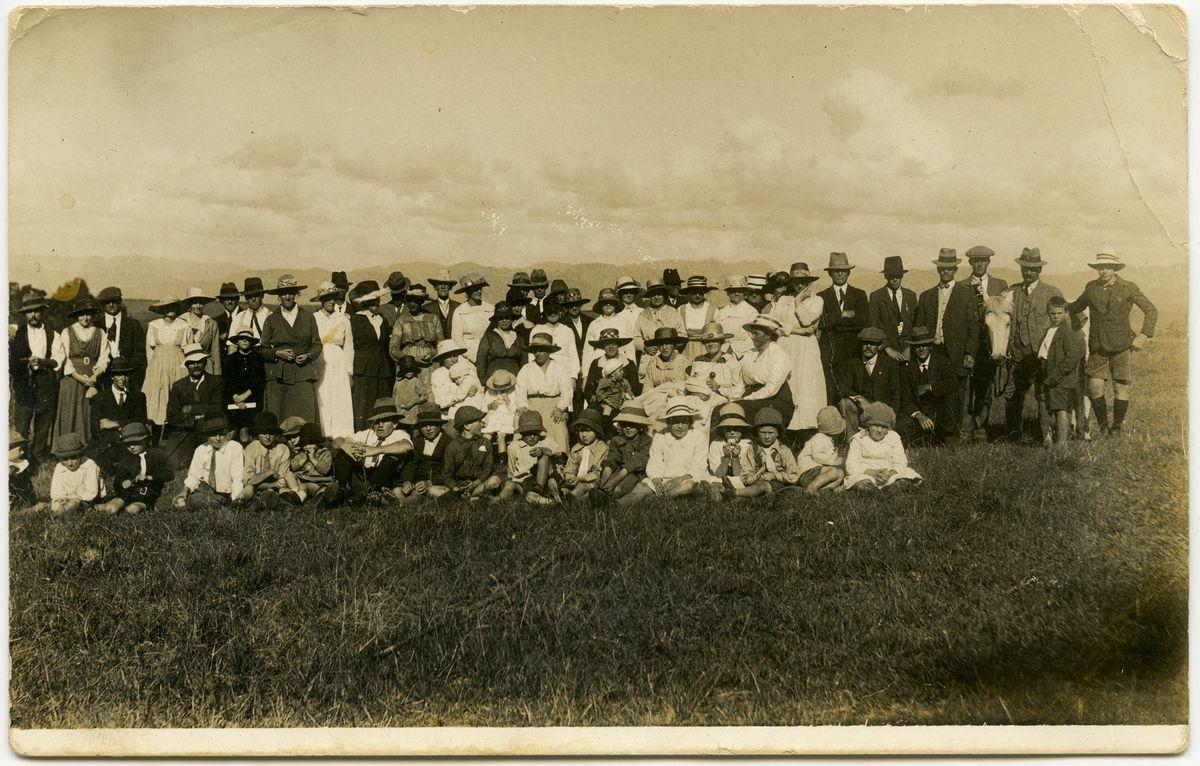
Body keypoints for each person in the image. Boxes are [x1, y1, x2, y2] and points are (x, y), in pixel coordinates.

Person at [1067, 250, 1157, 437]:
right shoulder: (1091, 288)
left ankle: (1116, 428)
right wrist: (1062, 310)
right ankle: (1103, 427)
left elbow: (1151, 310)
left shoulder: (1128, 287)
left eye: (1108, 267)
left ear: (1115, 268)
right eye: (1100, 267)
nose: (1104, 271)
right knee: (1094, 387)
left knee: (1120, 388)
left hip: (1122, 346)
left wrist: (1143, 335)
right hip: (1098, 346)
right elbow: (1075, 306)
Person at [1004, 248, 1063, 442]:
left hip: (1041, 354)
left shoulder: (1051, 292)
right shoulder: (1012, 292)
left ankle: (1045, 433)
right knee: (1013, 394)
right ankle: (1013, 434)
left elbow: (1063, 321)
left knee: (1043, 395)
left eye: (1033, 269)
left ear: (1040, 270)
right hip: (1018, 354)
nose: (1028, 273)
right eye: (1025, 268)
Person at [955, 245, 1009, 440]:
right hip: (969, 345)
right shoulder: (961, 286)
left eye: (983, 260)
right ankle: (964, 429)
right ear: (970, 262)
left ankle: (980, 427)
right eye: (975, 260)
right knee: (967, 387)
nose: (979, 264)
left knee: (986, 388)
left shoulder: (1000, 285)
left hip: (991, 345)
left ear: (988, 262)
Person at [619, 399, 716, 505]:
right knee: (641, 487)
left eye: (683, 421)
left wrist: (678, 480)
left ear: (689, 422)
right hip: (664, 478)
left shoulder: (698, 436)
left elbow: (699, 466)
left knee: (687, 487)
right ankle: (617, 505)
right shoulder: (660, 436)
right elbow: (654, 463)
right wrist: (657, 481)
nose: (680, 426)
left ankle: (654, 501)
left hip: (689, 478)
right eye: (675, 421)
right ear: (669, 422)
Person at [770, 263, 826, 436]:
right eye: (796, 282)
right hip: (785, 347)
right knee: (788, 383)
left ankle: (808, 429)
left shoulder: (817, 300)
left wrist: (798, 301)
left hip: (806, 349)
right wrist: (794, 330)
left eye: (803, 281)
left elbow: (807, 320)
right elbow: (773, 325)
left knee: (806, 384)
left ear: (810, 282)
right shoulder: (782, 300)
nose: (800, 286)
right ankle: (787, 428)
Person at [324, 397, 414, 506]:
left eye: (385, 421)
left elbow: (406, 445)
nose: (380, 425)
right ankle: (340, 489)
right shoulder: (368, 433)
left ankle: (366, 494)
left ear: (394, 424)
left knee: (392, 456)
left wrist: (374, 450)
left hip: (384, 478)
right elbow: (336, 442)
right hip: (364, 474)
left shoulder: (399, 434)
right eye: (376, 421)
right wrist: (346, 446)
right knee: (343, 452)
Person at [259, 274, 322, 425]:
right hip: (278, 375)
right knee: (278, 414)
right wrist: (277, 353)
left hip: (302, 373)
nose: (287, 297)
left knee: (305, 414)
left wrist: (308, 355)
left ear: (296, 295)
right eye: (283, 293)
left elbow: (317, 345)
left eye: (291, 293)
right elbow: (263, 350)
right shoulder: (271, 319)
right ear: (278, 296)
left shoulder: (308, 317)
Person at [51, 297, 109, 444]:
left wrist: (95, 375)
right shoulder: (67, 331)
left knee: (89, 411)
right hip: (72, 379)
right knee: (71, 410)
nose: (85, 318)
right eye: (82, 314)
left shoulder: (99, 332)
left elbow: (104, 356)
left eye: (88, 314)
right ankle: (68, 445)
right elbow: (64, 357)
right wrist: (78, 376)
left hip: (92, 377)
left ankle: (88, 445)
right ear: (77, 315)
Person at [10, 295, 60, 462]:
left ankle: (38, 455)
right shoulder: (17, 332)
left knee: (43, 422)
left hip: (44, 382)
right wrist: (25, 366)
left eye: (36, 311)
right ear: (24, 314)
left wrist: (43, 362)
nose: (33, 315)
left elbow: (58, 359)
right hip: (24, 382)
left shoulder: (52, 333)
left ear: (42, 313)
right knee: (22, 422)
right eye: (29, 312)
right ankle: (20, 457)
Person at [817, 252, 869, 404]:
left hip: (853, 352)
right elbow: (821, 322)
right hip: (830, 354)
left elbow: (862, 321)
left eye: (843, 270)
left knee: (854, 392)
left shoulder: (859, 294)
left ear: (849, 272)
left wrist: (835, 323)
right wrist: (843, 314)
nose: (839, 274)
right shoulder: (821, 296)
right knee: (832, 394)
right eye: (836, 271)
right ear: (830, 274)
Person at [896, 327, 962, 446]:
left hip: (939, 413)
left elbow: (954, 383)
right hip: (918, 415)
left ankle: (948, 440)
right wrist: (918, 415)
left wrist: (930, 387)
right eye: (917, 346)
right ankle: (915, 443)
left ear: (930, 346)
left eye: (924, 345)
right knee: (902, 424)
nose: (921, 349)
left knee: (954, 396)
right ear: (913, 348)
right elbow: (904, 398)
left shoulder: (942, 362)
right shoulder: (906, 369)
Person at [165, 343, 226, 467]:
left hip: (210, 429)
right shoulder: (178, 386)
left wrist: (190, 408)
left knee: (214, 460)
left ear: (205, 362)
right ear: (187, 365)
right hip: (185, 430)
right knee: (175, 462)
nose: (196, 366)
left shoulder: (216, 382)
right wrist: (194, 418)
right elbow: (171, 415)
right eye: (192, 363)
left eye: (200, 362)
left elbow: (217, 407)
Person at [835, 326, 903, 434]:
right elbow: (841, 387)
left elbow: (896, 395)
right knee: (845, 403)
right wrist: (860, 398)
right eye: (865, 343)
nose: (868, 347)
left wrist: (889, 417)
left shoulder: (889, 365)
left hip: (882, 412)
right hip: (861, 411)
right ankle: (852, 441)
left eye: (873, 344)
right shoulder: (852, 364)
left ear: (880, 346)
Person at [346, 280, 394, 432]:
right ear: (365, 302)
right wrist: (350, 373)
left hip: (382, 370)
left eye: (377, 300)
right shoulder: (355, 320)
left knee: (381, 405)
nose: (376, 303)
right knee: (363, 406)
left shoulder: (382, 320)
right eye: (372, 300)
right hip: (363, 371)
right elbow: (349, 348)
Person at [1040, 296, 1087, 446]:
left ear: (1066, 312)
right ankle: (1060, 438)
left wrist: (1056, 376)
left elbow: (1073, 356)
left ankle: (1062, 444)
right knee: (1056, 407)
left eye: (1059, 313)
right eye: (1052, 313)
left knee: (1060, 409)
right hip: (1052, 372)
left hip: (1062, 377)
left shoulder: (1069, 330)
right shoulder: (1052, 329)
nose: (1055, 317)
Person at [311, 281, 356, 438]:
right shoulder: (313, 318)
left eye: (333, 298)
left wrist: (349, 372)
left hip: (338, 361)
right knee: (322, 396)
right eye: (327, 298)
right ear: (321, 300)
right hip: (320, 361)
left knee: (339, 397)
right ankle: (324, 434)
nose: (331, 301)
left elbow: (349, 347)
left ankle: (341, 435)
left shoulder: (343, 319)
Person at [844, 402, 922, 491]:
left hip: (889, 472)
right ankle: (870, 488)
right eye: (876, 425)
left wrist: (890, 473)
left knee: (908, 475)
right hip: (866, 473)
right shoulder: (859, 438)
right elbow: (851, 465)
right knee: (859, 482)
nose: (879, 430)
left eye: (884, 427)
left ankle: (895, 486)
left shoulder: (893, 437)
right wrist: (873, 473)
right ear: (868, 425)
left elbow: (900, 462)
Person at [95, 422, 169, 514]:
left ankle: (120, 510)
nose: (132, 447)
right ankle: (105, 506)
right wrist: (123, 483)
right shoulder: (126, 458)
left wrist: (149, 477)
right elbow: (117, 480)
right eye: (128, 444)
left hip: (146, 495)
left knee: (133, 509)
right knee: (112, 508)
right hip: (127, 494)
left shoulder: (157, 455)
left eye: (136, 443)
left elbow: (168, 474)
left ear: (146, 440)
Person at [515, 332, 574, 449]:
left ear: (548, 351)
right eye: (535, 351)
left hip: (554, 406)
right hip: (532, 406)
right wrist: (523, 406)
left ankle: (559, 462)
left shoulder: (559, 368)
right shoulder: (526, 369)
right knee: (530, 432)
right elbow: (520, 392)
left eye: (541, 350)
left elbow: (567, 392)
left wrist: (560, 408)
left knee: (559, 431)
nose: (537, 354)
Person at [174, 418, 245, 509]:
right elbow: (194, 475)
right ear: (206, 435)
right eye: (213, 434)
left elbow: (237, 478)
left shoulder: (234, 447)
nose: (218, 438)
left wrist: (235, 501)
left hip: (226, 493)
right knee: (176, 498)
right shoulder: (201, 449)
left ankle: (191, 504)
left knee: (196, 501)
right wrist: (185, 490)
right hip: (206, 490)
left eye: (221, 434)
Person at [736, 315, 795, 425]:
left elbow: (772, 388)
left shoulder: (778, 355)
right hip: (752, 397)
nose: (752, 337)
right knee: (725, 408)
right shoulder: (751, 354)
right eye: (752, 333)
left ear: (768, 335)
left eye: (756, 333)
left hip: (775, 399)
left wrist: (746, 399)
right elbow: (741, 383)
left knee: (742, 409)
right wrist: (734, 398)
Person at [88, 357, 148, 466]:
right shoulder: (100, 398)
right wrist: (123, 428)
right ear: (112, 377)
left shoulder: (138, 397)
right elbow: (96, 428)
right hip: (108, 442)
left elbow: (141, 421)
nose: (123, 379)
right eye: (119, 375)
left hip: (131, 441)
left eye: (126, 375)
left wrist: (116, 424)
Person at [500, 410, 565, 505]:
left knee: (544, 457)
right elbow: (511, 470)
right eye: (529, 433)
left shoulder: (546, 441)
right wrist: (511, 482)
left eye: (536, 432)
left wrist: (545, 450)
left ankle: (542, 489)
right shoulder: (514, 446)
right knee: (511, 486)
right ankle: (549, 501)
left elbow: (560, 455)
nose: (533, 436)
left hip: (545, 477)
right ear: (522, 433)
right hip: (525, 481)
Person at [142, 297, 189, 429]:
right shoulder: (154, 325)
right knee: (157, 397)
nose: (170, 310)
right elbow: (149, 351)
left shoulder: (184, 326)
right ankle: (156, 434)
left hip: (178, 365)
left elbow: (188, 349)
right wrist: (151, 368)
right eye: (167, 307)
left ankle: (174, 430)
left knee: (175, 395)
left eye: (173, 306)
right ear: (162, 309)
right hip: (157, 367)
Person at [583, 328, 639, 434]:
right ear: (603, 347)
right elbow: (589, 390)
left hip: (623, 404)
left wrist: (623, 400)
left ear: (618, 345)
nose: (611, 347)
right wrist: (602, 402)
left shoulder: (628, 364)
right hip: (602, 405)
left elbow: (635, 389)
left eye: (614, 343)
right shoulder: (596, 364)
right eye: (607, 344)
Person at [239, 412, 303, 504]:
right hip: (255, 487)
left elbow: (283, 479)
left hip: (275, 488)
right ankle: (240, 503)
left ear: (276, 433)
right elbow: (248, 479)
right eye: (264, 433)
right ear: (257, 433)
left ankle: (264, 501)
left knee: (282, 491)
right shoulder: (251, 448)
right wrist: (268, 472)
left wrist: (261, 484)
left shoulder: (282, 449)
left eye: (271, 433)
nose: (268, 437)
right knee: (248, 489)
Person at [442, 405, 501, 501]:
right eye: (478, 421)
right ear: (466, 426)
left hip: (478, 485)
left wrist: (475, 484)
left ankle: (468, 497)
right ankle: (473, 497)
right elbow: (447, 474)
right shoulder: (452, 446)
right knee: (433, 490)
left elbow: (488, 469)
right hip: (459, 486)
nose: (482, 424)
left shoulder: (485, 443)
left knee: (495, 480)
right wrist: (455, 488)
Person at [736, 407, 801, 496]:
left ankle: (736, 493)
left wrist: (774, 475)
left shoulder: (784, 450)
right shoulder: (752, 449)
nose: (767, 436)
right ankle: (746, 493)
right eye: (763, 432)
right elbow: (746, 473)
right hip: (758, 482)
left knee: (764, 486)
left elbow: (794, 476)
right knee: (757, 485)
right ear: (757, 432)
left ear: (777, 433)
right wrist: (752, 478)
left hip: (781, 484)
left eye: (771, 433)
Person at [395, 404, 452, 503]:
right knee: (398, 490)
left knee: (429, 492)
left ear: (439, 425)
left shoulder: (448, 442)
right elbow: (411, 464)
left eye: (432, 424)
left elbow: (448, 470)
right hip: (417, 483)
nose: (428, 428)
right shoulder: (417, 441)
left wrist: (430, 482)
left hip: (437, 483)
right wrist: (407, 481)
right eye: (424, 425)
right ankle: (395, 499)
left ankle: (402, 503)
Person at [913, 248, 961, 364]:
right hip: (932, 353)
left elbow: (972, 328)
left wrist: (969, 354)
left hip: (957, 353)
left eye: (949, 269)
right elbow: (920, 326)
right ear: (938, 269)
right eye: (942, 268)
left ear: (955, 270)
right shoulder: (926, 296)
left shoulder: (966, 294)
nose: (946, 272)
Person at [867, 256, 918, 364]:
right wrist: (887, 348)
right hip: (886, 354)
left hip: (908, 352)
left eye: (898, 276)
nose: (895, 279)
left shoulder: (911, 296)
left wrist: (908, 346)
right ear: (885, 276)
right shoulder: (876, 296)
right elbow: (873, 324)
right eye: (891, 276)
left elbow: (916, 323)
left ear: (902, 276)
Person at [96, 286, 146, 392]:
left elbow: (140, 353)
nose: (110, 305)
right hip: (102, 375)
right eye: (107, 302)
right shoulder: (96, 324)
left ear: (120, 301)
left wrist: (125, 367)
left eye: (114, 301)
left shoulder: (133, 325)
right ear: (103, 304)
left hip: (127, 375)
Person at [389, 283, 442, 379]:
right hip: (408, 364)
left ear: (422, 301)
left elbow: (442, 345)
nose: (412, 304)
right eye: (409, 301)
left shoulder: (433, 319)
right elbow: (393, 349)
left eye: (416, 301)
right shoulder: (401, 320)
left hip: (430, 363)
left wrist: (433, 354)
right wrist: (410, 359)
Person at [223, 330, 266, 440]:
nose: (245, 340)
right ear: (237, 342)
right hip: (234, 400)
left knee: (246, 433)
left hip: (253, 398)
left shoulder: (258, 358)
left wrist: (245, 396)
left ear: (252, 342)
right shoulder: (229, 360)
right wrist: (237, 397)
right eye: (242, 338)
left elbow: (259, 381)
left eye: (248, 338)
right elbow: (228, 381)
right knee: (231, 433)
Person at [530, 295, 579, 387]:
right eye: (549, 311)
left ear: (560, 311)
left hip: (565, 373)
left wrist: (573, 377)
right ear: (544, 313)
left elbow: (574, 357)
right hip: (543, 372)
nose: (553, 314)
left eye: (555, 311)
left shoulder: (567, 330)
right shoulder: (537, 330)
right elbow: (531, 356)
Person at [583, 288, 636, 373]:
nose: (608, 305)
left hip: (621, 365)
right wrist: (585, 373)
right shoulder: (594, 324)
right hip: (600, 366)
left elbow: (630, 348)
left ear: (615, 304)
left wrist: (632, 370)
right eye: (604, 303)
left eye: (611, 302)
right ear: (600, 305)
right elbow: (587, 351)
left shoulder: (624, 322)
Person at [796, 406, 846, 493]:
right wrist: (833, 462)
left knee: (841, 473)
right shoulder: (819, 438)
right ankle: (812, 487)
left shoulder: (829, 440)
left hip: (817, 473)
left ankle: (825, 489)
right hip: (807, 472)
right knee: (833, 471)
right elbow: (817, 455)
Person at [474, 301, 526, 384]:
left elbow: (524, 361)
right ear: (496, 320)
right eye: (501, 318)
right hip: (494, 377)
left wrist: (523, 380)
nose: (504, 320)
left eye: (507, 317)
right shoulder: (489, 337)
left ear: (511, 318)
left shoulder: (519, 337)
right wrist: (483, 381)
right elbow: (481, 361)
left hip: (515, 375)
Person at [49, 433, 101, 514]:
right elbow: (56, 489)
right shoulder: (60, 467)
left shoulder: (89, 465)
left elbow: (91, 492)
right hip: (66, 499)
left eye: (73, 458)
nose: (70, 463)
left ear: (80, 455)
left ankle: (60, 514)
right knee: (53, 505)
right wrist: (62, 497)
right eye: (65, 459)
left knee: (73, 505)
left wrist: (73, 499)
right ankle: (59, 511)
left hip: (86, 500)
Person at [283, 418, 335, 499]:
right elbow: (293, 467)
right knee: (288, 475)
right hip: (302, 480)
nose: (308, 447)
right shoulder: (302, 453)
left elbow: (325, 470)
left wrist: (313, 459)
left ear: (318, 443)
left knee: (305, 487)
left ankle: (299, 498)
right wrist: (302, 461)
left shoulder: (325, 453)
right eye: (305, 444)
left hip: (318, 482)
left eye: (311, 444)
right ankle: (296, 493)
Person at [633, 278, 685, 361]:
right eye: (653, 294)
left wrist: (670, 347)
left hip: (671, 357)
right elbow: (636, 337)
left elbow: (682, 335)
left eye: (659, 294)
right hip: (649, 357)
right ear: (649, 296)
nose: (656, 297)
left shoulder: (674, 312)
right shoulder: (642, 315)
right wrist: (645, 347)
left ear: (664, 295)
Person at [430, 339, 483, 419]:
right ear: (442, 358)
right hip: (450, 411)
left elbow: (477, 385)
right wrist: (464, 394)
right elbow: (439, 401)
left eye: (455, 356)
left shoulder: (466, 368)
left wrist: (474, 389)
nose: (453, 359)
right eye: (448, 356)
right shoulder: (438, 374)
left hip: (471, 406)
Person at [561, 409, 608, 499]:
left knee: (583, 487)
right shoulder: (576, 448)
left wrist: (579, 479)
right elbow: (570, 467)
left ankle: (573, 499)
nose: (583, 435)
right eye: (581, 431)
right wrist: (570, 477)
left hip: (593, 483)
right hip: (575, 481)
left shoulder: (603, 449)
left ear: (596, 431)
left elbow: (597, 474)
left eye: (588, 431)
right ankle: (564, 497)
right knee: (564, 488)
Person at [708, 403, 754, 492]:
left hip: (741, 479)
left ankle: (733, 492)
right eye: (728, 428)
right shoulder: (716, 444)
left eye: (736, 428)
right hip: (720, 477)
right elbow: (719, 474)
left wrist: (736, 458)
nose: (732, 432)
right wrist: (726, 457)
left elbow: (739, 475)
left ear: (742, 429)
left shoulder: (747, 444)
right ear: (722, 429)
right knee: (714, 483)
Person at [450, 274, 494, 364]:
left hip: (489, 356)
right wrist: (475, 358)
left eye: (480, 288)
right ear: (467, 291)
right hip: (467, 358)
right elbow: (457, 340)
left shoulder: (490, 309)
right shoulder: (460, 311)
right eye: (475, 289)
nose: (478, 291)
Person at [178, 287, 222, 376]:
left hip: (206, 367)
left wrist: (217, 374)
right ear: (189, 304)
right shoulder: (181, 322)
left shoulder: (211, 324)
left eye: (201, 303)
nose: (198, 306)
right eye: (194, 302)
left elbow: (215, 351)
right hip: (185, 367)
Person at [715, 276, 758, 359]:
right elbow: (718, 336)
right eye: (733, 291)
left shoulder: (751, 312)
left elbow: (755, 338)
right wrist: (725, 349)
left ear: (745, 292)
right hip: (724, 353)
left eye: (740, 291)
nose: (736, 294)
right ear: (727, 292)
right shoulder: (721, 312)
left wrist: (734, 348)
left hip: (746, 353)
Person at [481, 369, 522, 456]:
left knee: (501, 436)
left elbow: (513, 410)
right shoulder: (489, 392)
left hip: (506, 418)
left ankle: (502, 459)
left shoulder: (513, 392)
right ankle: (482, 458)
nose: (501, 390)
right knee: (486, 436)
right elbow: (484, 408)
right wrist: (491, 406)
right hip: (492, 418)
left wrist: (506, 398)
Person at [678, 276, 719, 363]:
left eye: (700, 292)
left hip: (706, 349)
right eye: (694, 292)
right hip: (686, 349)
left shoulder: (712, 309)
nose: (697, 295)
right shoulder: (681, 309)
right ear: (689, 292)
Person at [228, 277, 274, 346]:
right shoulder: (238, 318)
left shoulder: (272, 317)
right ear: (246, 297)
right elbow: (232, 345)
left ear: (262, 295)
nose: (253, 299)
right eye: (250, 296)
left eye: (256, 295)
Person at [392, 355, 431, 424]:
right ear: (402, 371)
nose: (409, 372)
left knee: (414, 430)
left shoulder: (416, 381)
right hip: (400, 412)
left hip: (413, 412)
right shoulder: (398, 383)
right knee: (402, 428)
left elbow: (425, 396)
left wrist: (412, 403)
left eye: (411, 370)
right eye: (406, 370)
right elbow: (394, 397)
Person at [560, 289, 593, 370]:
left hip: (588, 365)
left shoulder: (590, 321)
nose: (574, 308)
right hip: (569, 367)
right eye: (571, 305)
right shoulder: (561, 323)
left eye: (577, 304)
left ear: (581, 304)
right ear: (567, 306)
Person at [214, 282, 241, 367]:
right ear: (222, 301)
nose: (229, 302)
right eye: (226, 299)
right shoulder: (216, 321)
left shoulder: (245, 316)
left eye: (232, 299)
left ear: (237, 299)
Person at [428, 270, 460, 339]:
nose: (443, 287)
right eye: (439, 284)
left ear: (450, 287)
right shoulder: (427, 309)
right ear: (435, 287)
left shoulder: (459, 307)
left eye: (446, 284)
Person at [10, 432, 39, 509]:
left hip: (25, 495)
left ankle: (29, 502)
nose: (22, 452)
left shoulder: (21, 464)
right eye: (19, 450)